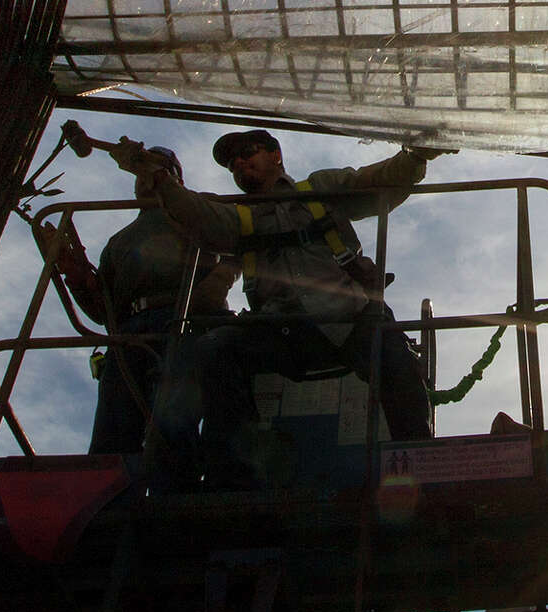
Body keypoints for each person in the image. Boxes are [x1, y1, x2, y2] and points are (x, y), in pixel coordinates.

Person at [116, 129, 443, 488]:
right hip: (279, 328)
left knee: (395, 359)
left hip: (347, 315)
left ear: (275, 156)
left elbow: (377, 181)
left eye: (248, 152)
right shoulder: (239, 216)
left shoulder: (319, 190)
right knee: (211, 349)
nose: (239, 163)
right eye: (232, 162)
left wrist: (416, 156)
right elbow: (197, 213)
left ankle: (418, 470)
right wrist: (155, 175)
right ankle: (236, 480)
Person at [46, 146, 239, 456]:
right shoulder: (119, 241)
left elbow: (233, 251)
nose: (145, 178)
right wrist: (77, 276)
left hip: (184, 321)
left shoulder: (197, 209)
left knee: (174, 421)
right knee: (114, 429)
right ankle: (111, 496)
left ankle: (174, 496)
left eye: (154, 168)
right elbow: (104, 311)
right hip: (129, 332)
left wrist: (207, 297)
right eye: (140, 172)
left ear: (175, 177)